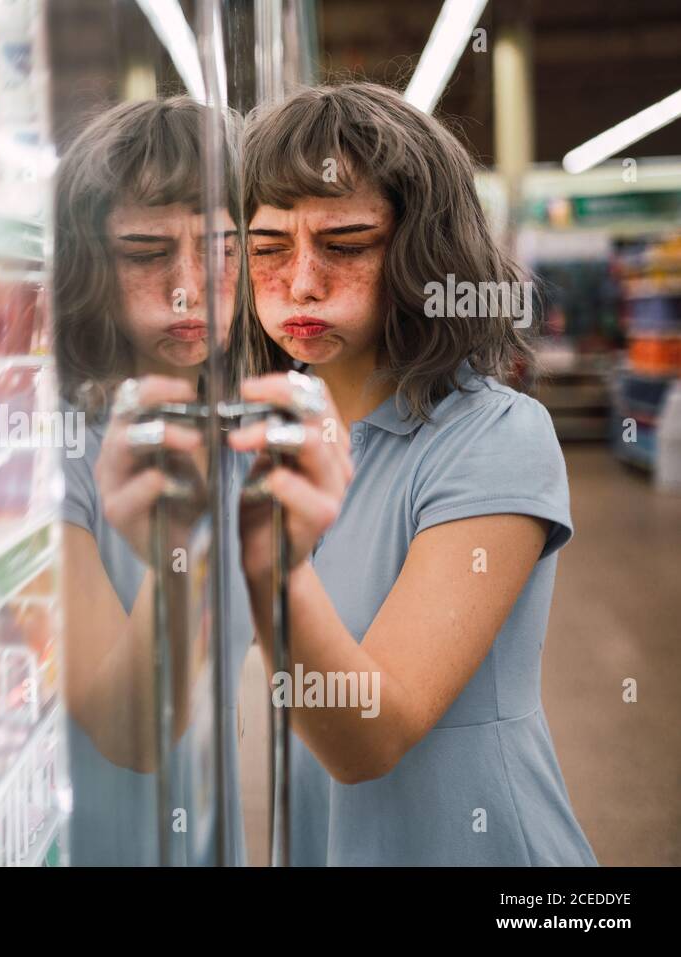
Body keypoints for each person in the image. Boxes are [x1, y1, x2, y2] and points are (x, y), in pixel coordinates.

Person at [217, 81, 595, 865]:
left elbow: (370, 735)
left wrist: (269, 566)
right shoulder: (273, 433)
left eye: (346, 244)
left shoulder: (494, 436)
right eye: (267, 248)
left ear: (426, 251)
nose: (301, 282)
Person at [54, 96, 253, 866]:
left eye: (224, 249)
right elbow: (130, 734)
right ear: (88, 265)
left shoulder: (244, 433)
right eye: (144, 252)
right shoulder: (55, 446)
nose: (187, 287)